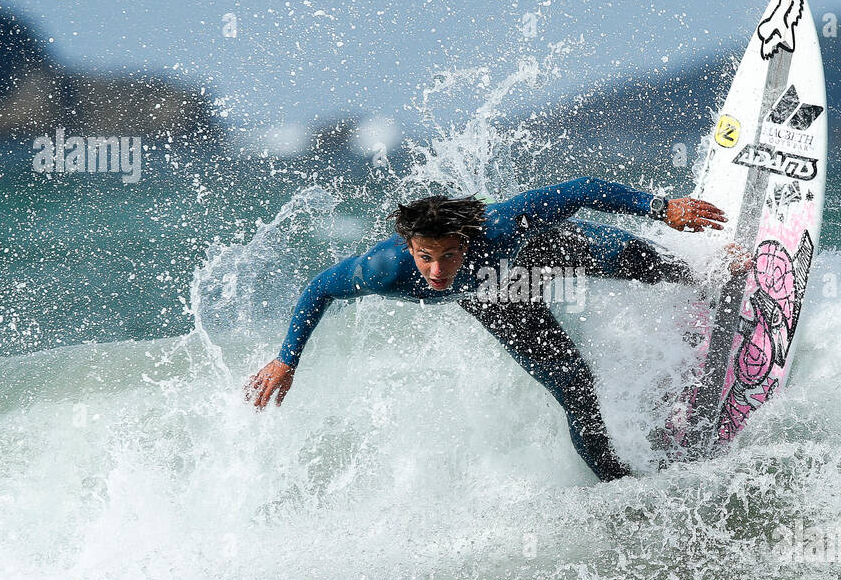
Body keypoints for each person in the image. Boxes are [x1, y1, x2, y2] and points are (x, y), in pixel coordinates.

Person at [245, 177, 733, 481]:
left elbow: (580, 189)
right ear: (410, 248)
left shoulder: (502, 225)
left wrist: (659, 207)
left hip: (534, 252)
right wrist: (287, 359)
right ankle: (619, 485)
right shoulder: (383, 268)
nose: (437, 271)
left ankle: (709, 280)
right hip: (493, 297)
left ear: (468, 241)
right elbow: (319, 288)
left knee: (627, 257)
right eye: (426, 257)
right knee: (575, 386)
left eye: (450, 255)